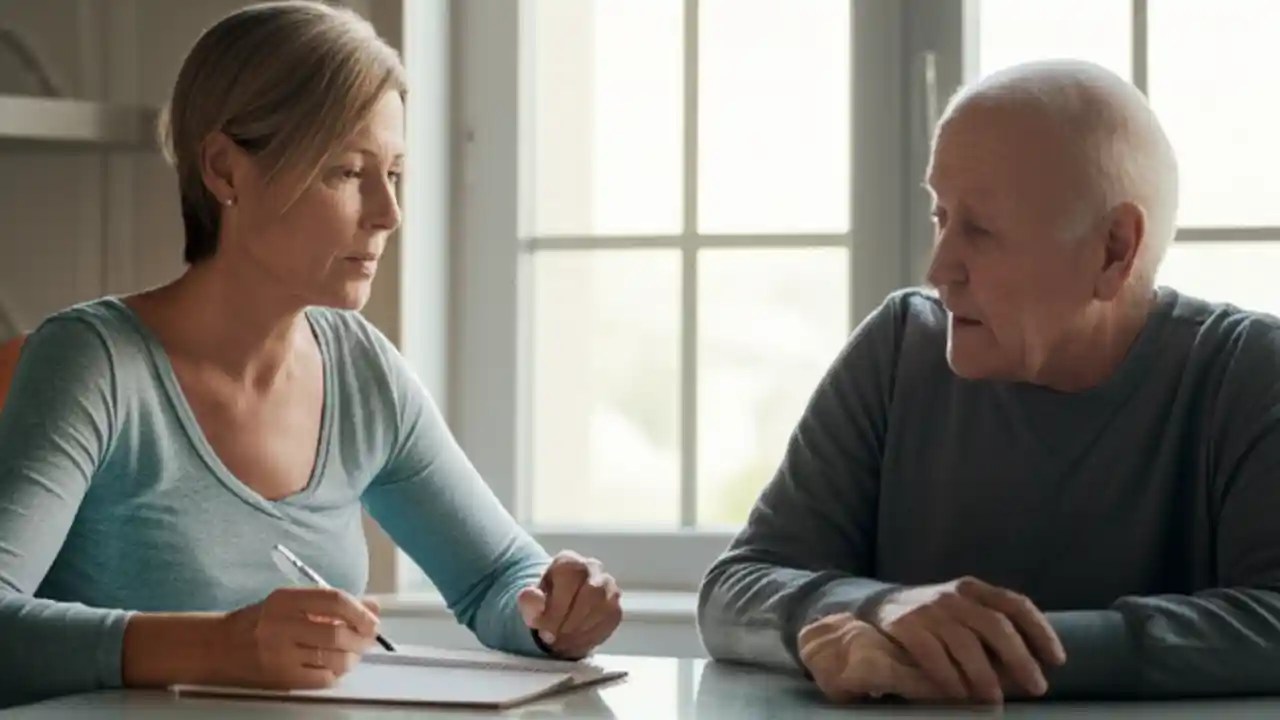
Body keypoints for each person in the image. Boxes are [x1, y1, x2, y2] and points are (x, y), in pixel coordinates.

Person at [0, 1, 620, 708]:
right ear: (225, 171)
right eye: (348, 172)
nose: (388, 213)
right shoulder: (94, 365)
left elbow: (498, 577)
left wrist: (557, 613)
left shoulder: (360, 371)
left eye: (396, 173)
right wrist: (218, 646)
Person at [698, 59, 1280, 703]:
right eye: (940, 216)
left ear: (1116, 249)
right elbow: (737, 589)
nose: (939, 268)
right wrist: (882, 612)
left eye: (981, 230)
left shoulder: (1249, 373)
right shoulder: (896, 351)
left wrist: (991, 656)